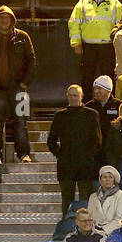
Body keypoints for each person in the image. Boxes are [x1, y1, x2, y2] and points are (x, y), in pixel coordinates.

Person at [0, 5, 35, 163]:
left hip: (19, 90)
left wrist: (25, 83)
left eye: (7, 18)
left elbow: (32, 61)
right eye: (1, 18)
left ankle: (24, 154)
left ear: (12, 20)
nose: (4, 21)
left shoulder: (23, 37)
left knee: (21, 122)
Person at [47, 84, 103, 216]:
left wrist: (88, 157)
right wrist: (61, 154)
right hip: (66, 165)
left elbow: (97, 140)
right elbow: (51, 141)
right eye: (71, 95)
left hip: (85, 165)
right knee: (67, 200)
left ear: (81, 96)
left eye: (76, 95)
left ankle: (87, 227)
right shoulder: (60, 115)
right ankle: (66, 228)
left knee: (85, 200)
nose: (73, 98)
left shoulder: (91, 114)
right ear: (67, 96)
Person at [69, 0, 122, 89]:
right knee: (87, 78)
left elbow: (121, 25)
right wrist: (76, 44)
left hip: (108, 47)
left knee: (108, 78)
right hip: (88, 47)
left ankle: (109, 104)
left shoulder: (116, 4)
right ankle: (87, 104)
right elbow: (74, 24)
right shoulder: (82, 4)